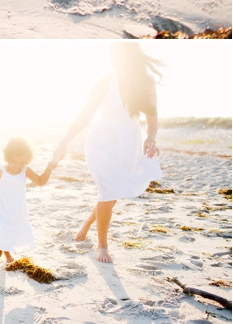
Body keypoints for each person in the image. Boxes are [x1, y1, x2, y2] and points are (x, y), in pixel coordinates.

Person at [52, 42, 163, 264]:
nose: (112, 55)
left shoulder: (146, 83)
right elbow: (85, 114)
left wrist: (150, 139)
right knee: (108, 191)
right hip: (101, 143)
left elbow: (152, 119)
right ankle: (102, 246)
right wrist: (64, 141)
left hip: (129, 143)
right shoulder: (104, 83)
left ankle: (87, 223)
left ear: (129, 54)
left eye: (117, 51)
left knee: (111, 195)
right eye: (110, 51)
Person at [0, 137, 56, 263]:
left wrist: (49, 168)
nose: (18, 166)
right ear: (7, 158)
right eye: (14, 162)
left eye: (22, 162)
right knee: (4, 227)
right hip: (2, 205)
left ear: (27, 160)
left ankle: (4, 252)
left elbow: (40, 181)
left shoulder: (25, 170)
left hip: (18, 207)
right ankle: (2, 253)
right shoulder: (1, 171)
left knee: (12, 228)